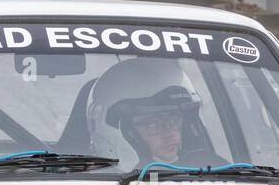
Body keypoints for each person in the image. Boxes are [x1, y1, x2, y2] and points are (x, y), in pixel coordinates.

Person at [86, 58, 220, 168]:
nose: (169, 134)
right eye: (153, 125)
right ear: (128, 133)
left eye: (174, 120)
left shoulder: (214, 171)